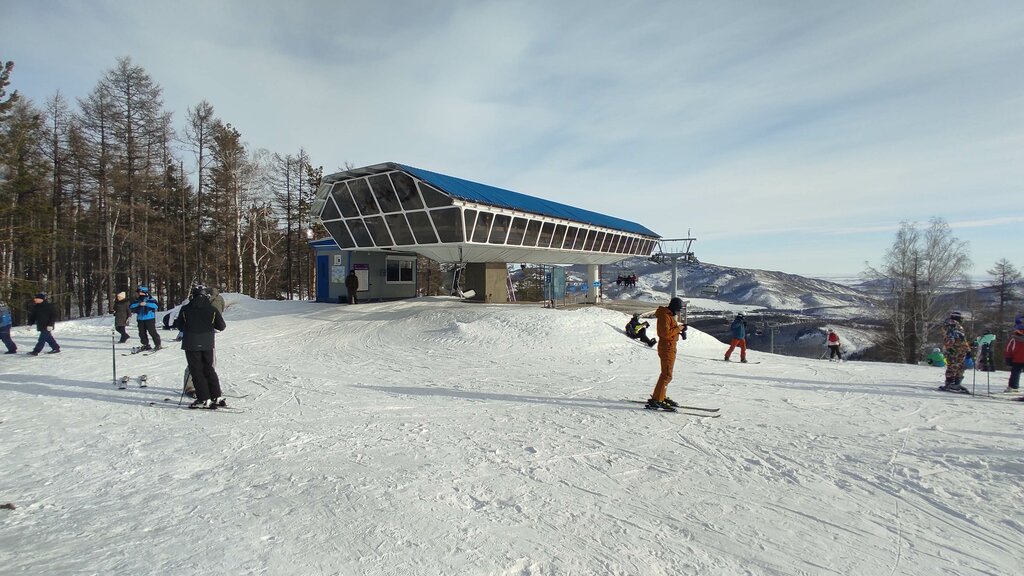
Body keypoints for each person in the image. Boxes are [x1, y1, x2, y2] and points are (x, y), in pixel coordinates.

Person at [173, 285, 227, 409]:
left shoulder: (186, 309)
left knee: (196, 371)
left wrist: (190, 327)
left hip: (191, 343)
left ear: (193, 295)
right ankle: (216, 396)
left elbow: (179, 325)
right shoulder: (212, 309)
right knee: (209, 369)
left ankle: (204, 398)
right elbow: (221, 326)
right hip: (207, 343)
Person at [646, 297, 687, 410]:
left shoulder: (668, 315)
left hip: (670, 346)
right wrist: (678, 329)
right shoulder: (665, 316)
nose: (678, 312)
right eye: (678, 310)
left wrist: (679, 329)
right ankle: (658, 399)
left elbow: (670, 330)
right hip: (667, 347)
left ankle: (660, 396)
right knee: (666, 375)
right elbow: (665, 333)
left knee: (666, 374)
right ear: (674, 307)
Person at [939, 311, 971, 393]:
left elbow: (961, 339)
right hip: (955, 350)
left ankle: (956, 383)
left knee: (959, 366)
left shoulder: (953, 325)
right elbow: (952, 338)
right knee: (954, 366)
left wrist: (967, 348)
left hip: (958, 349)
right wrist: (950, 347)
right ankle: (951, 383)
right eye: (961, 318)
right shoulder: (953, 325)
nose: (962, 320)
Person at [129, 286, 161, 351]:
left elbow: (156, 306)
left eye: (140, 292)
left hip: (150, 318)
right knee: (142, 333)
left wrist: (146, 304)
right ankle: (145, 344)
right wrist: (139, 304)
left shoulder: (151, 299)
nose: (138, 293)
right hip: (140, 319)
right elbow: (131, 306)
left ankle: (158, 344)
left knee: (152, 332)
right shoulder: (137, 300)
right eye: (138, 292)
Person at [1004, 316, 1024, 394]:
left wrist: (1008, 357)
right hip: (1018, 358)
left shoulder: (1014, 338)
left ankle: (1013, 387)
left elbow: (1009, 348)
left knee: (1015, 372)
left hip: (1017, 358)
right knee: (1016, 372)